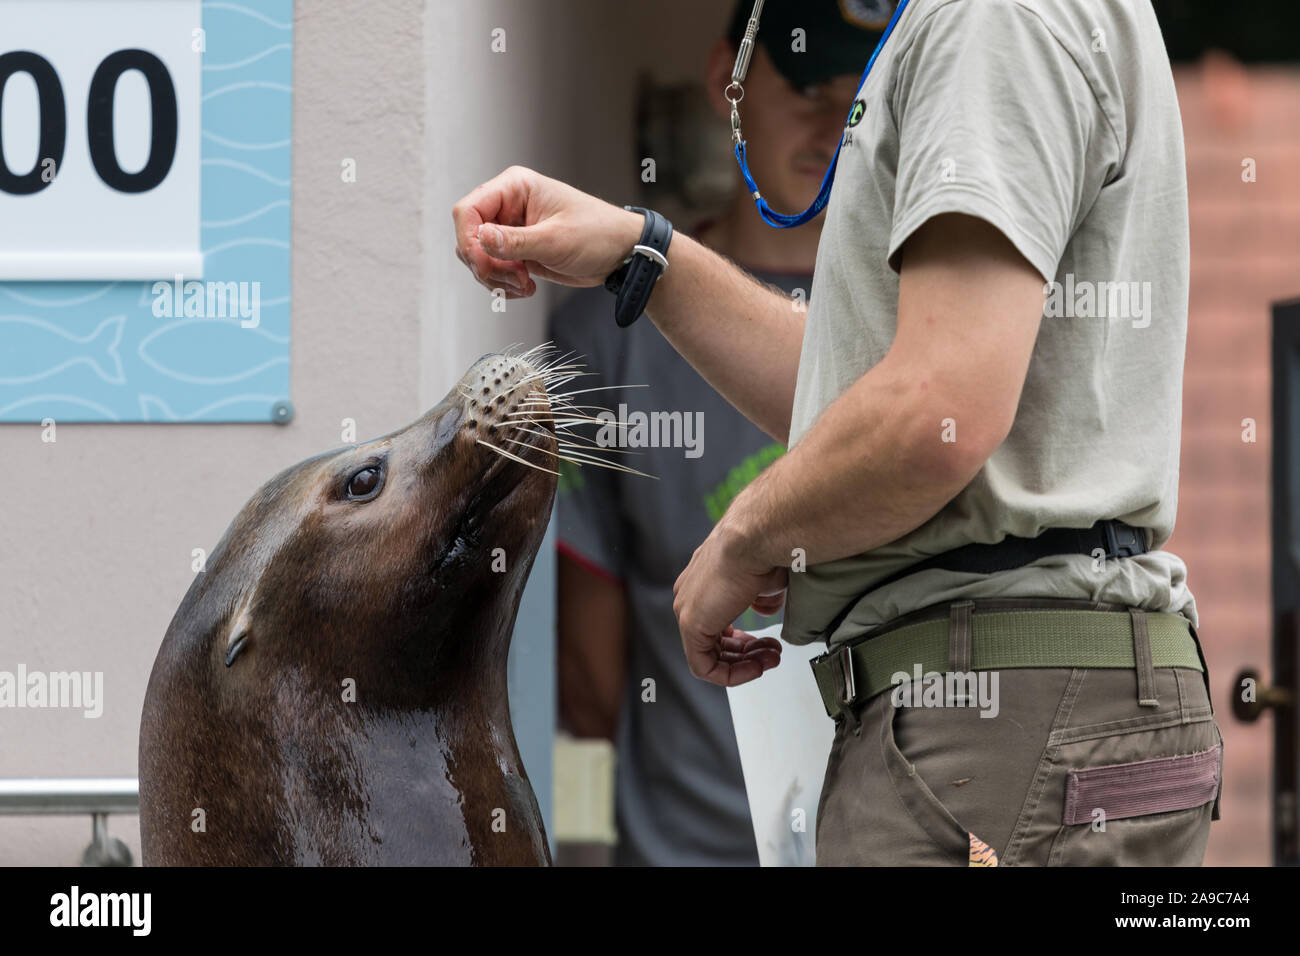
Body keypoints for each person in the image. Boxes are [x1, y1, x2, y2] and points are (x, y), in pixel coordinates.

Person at [453, 0, 1224, 865]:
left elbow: (938, 411)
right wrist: (642, 253)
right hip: (1019, 712)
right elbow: (870, 394)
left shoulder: (986, 18)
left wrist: (747, 537)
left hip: (1000, 718)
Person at [546, 2, 885, 867]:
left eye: (862, 93)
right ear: (725, 85)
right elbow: (586, 684)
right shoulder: (605, 334)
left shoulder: (935, 345)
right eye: (807, 83)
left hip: (894, 838)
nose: (831, 117)